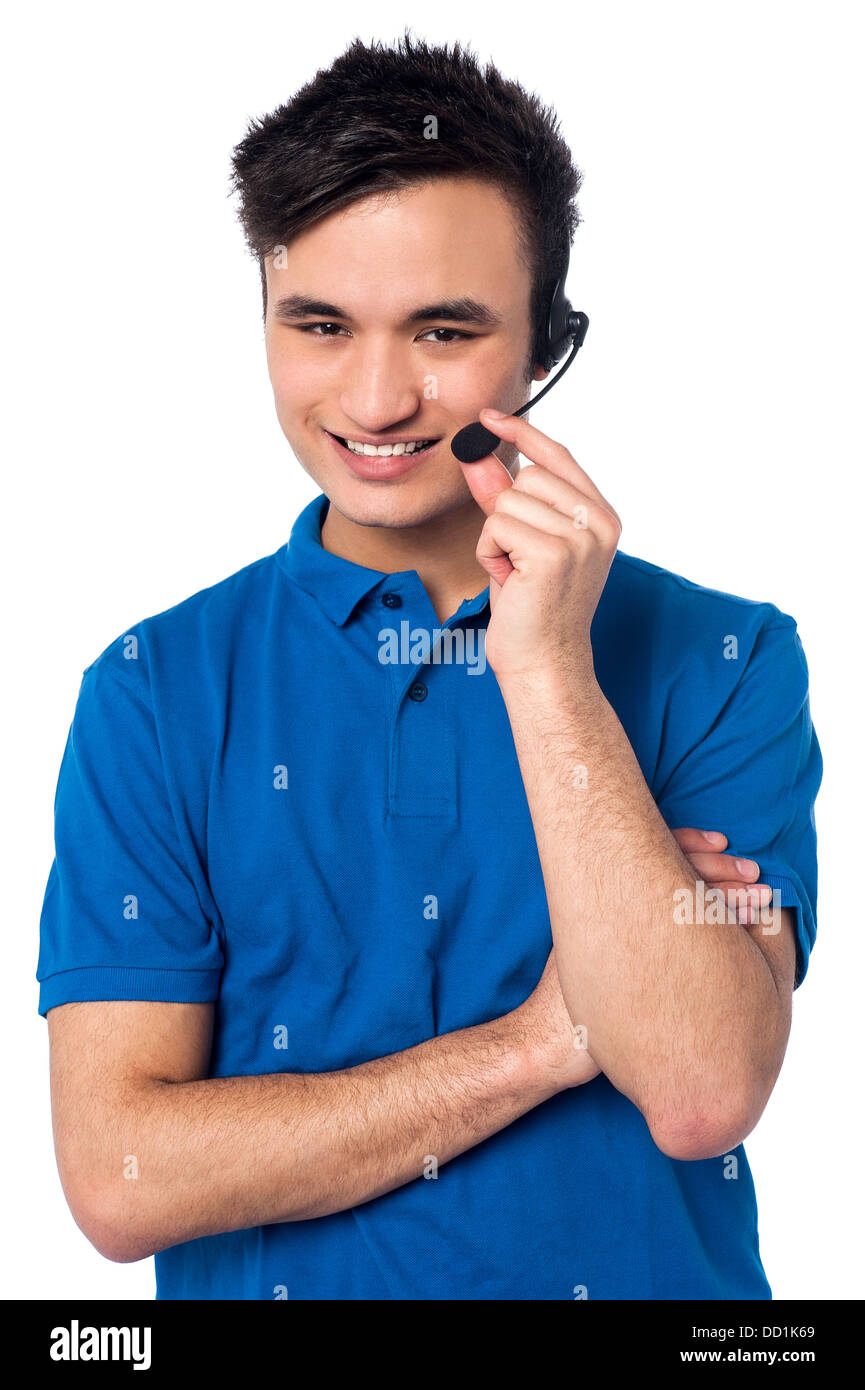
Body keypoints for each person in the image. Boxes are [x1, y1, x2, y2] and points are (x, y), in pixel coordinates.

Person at [37, 32, 822, 1300]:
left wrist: (553, 670)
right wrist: (543, 1041)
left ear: (546, 345)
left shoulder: (724, 659)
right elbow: (122, 1179)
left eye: (444, 329)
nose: (378, 393)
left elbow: (697, 1086)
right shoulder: (152, 690)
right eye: (321, 324)